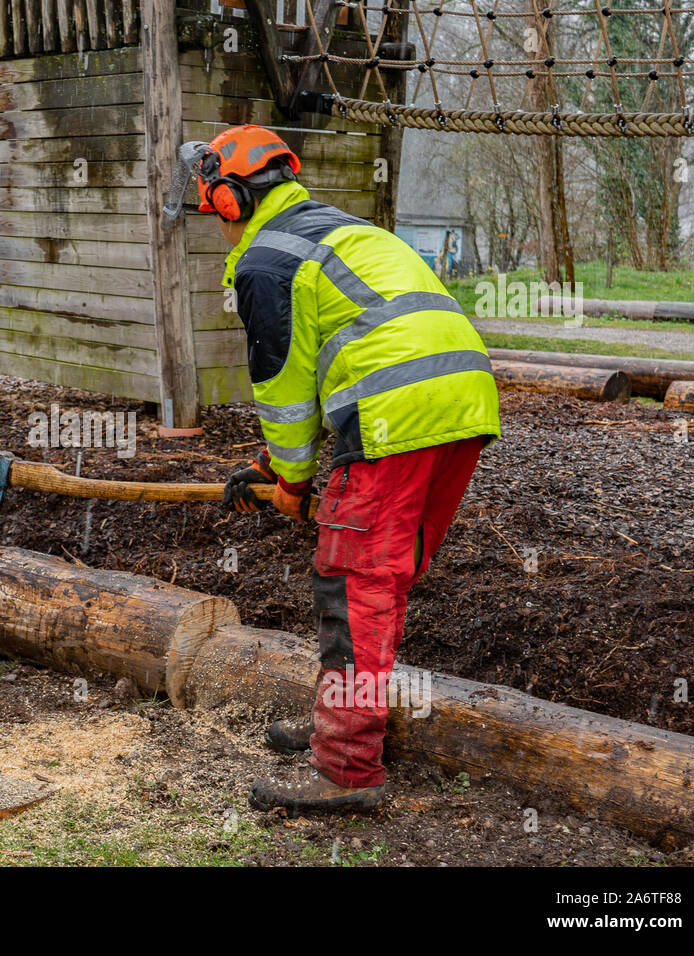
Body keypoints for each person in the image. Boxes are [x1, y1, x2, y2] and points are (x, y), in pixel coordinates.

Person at [193, 125, 501, 813]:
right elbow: (332, 354)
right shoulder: (336, 230)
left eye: (213, 209)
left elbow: (282, 387)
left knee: (354, 590)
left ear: (230, 201)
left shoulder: (265, 262)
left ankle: (346, 770)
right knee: (382, 584)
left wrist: (294, 485)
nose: (215, 223)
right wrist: (269, 466)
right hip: (464, 400)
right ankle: (346, 718)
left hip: (394, 412)